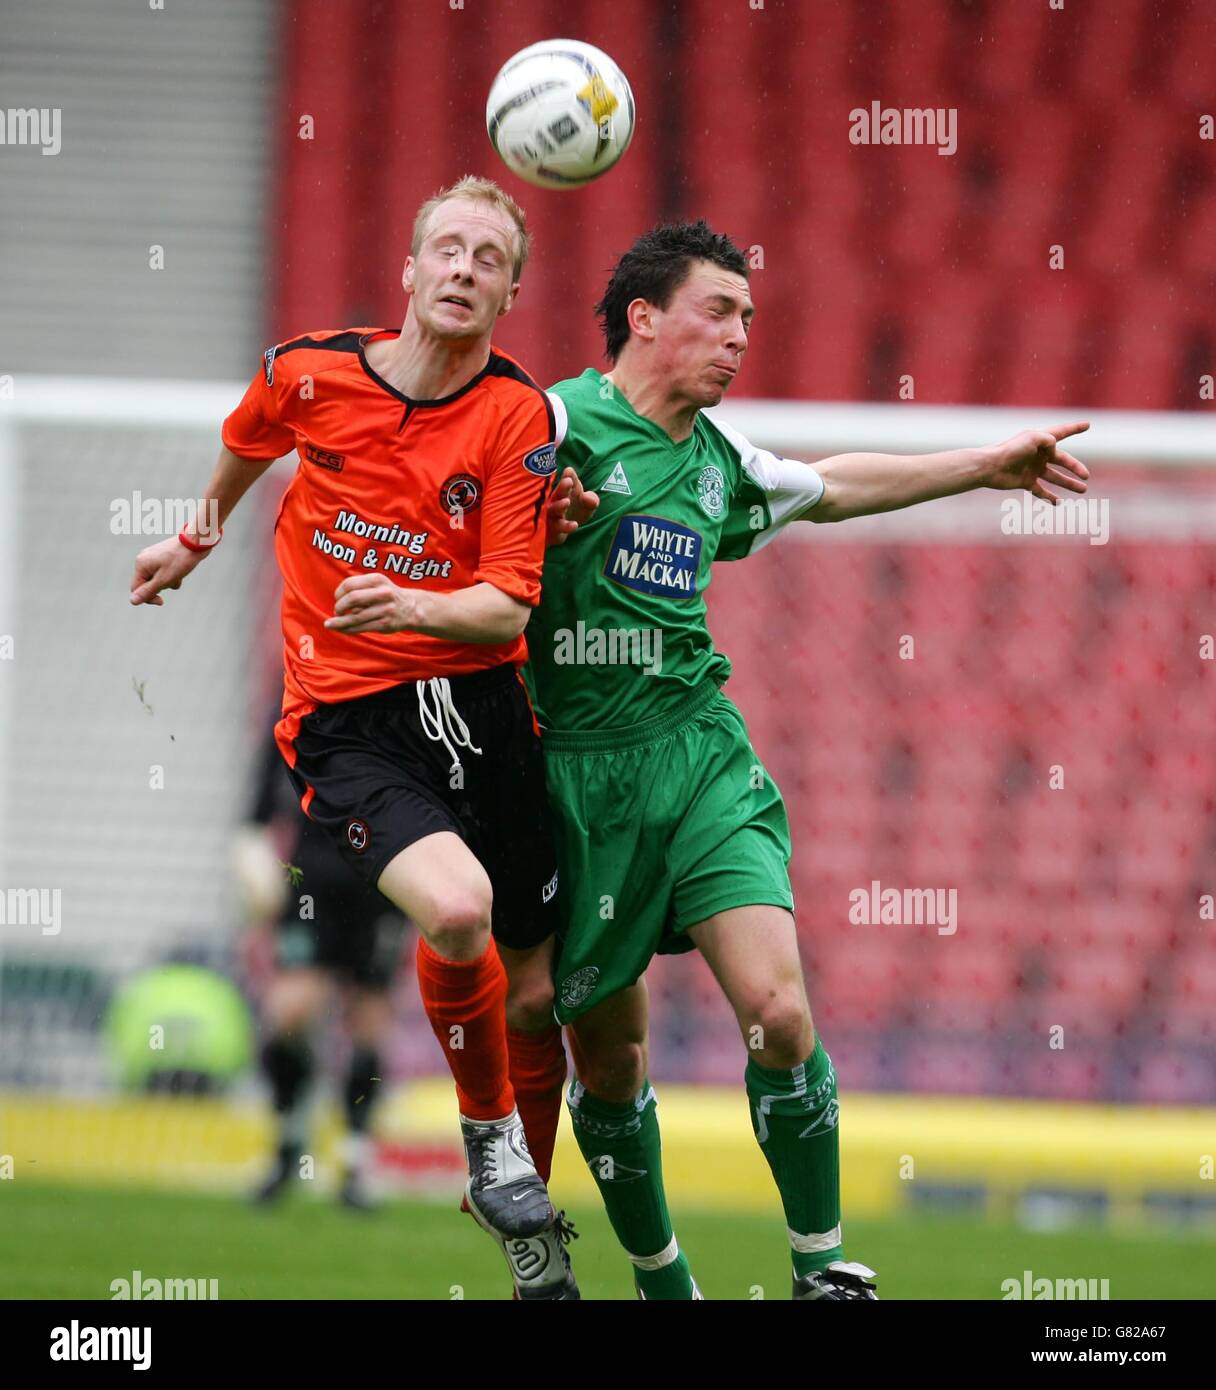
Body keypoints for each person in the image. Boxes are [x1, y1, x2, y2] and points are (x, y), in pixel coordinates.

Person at [528, 220, 1089, 1300]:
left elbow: (831, 487)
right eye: (719, 313)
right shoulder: (549, 425)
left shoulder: (717, 462)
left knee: (780, 1013)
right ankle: (660, 1281)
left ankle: (819, 1269)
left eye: (749, 319)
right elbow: (459, 529)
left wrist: (987, 466)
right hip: (575, 781)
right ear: (644, 318)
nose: (741, 338)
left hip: (698, 757)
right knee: (608, 1062)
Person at [130, 176, 577, 1300]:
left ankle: (531, 1245)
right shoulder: (308, 371)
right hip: (346, 722)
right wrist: (195, 536)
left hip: (482, 712)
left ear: (513, 290)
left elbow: (508, 607)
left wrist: (413, 605)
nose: (467, 268)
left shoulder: (518, 417)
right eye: (450, 249)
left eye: (490, 257)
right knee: (459, 909)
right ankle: (490, 1147)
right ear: (411, 270)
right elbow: (246, 440)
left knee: (539, 995)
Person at [234, 719, 409, 1211]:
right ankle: (289, 1140)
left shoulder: (398, 692)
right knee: (289, 1011)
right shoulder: (298, 701)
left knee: (369, 1021)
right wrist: (251, 846)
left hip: (385, 878)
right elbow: (262, 797)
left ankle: (356, 1161)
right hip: (313, 884)